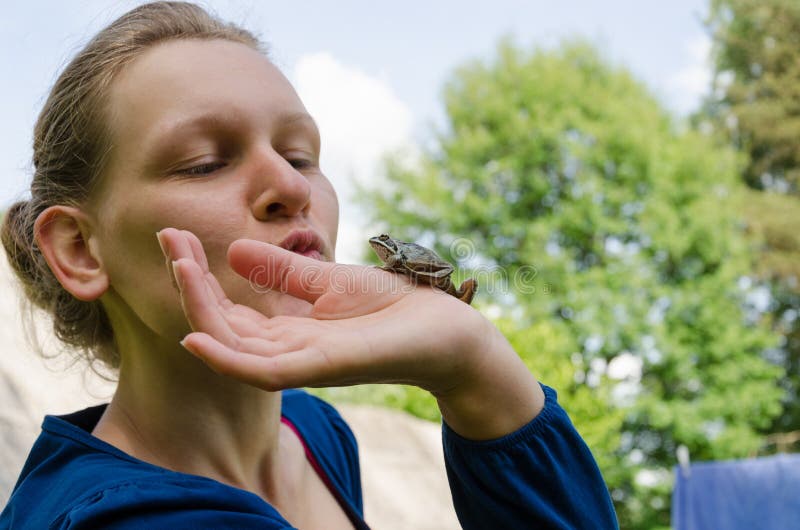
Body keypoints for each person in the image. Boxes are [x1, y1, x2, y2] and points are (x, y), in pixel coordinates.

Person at [0, 2, 618, 529]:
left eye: (300, 156)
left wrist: (475, 362)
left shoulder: (312, 428)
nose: (289, 188)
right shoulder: (130, 517)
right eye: (204, 162)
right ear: (81, 249)